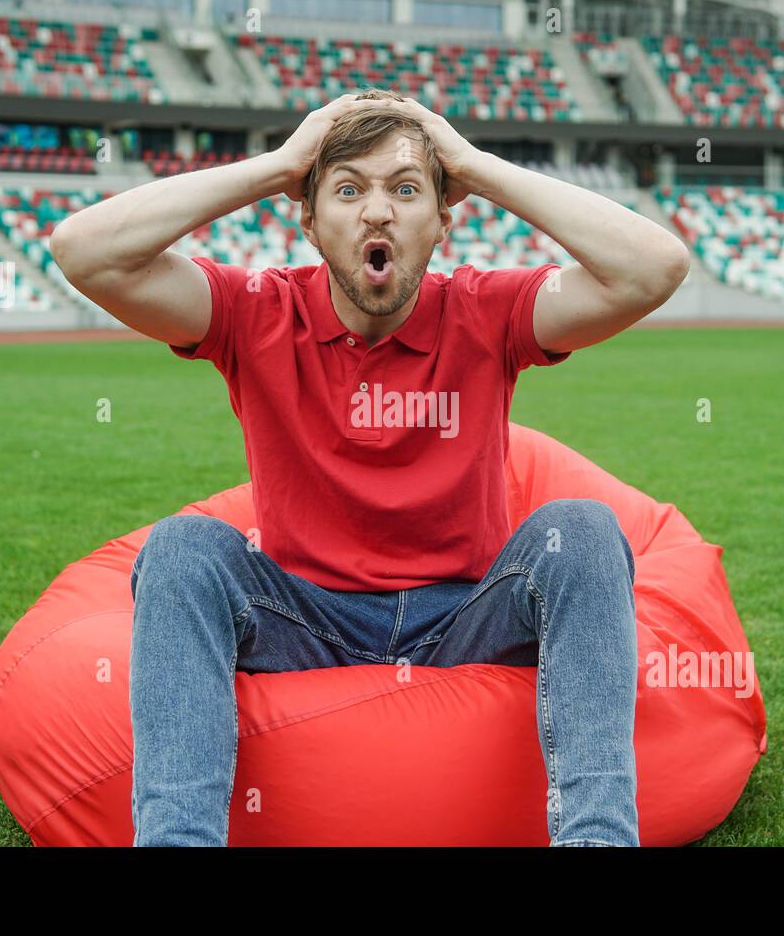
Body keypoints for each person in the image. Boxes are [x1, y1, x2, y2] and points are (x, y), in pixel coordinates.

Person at [50, 89, 690, 847]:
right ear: (310, 221)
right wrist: (279, 163)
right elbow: (80, 251)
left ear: (443, 223)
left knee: (582, 529)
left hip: (466, 613)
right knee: (182, 547)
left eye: (407, 190)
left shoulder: (486, 309)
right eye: (348, 189)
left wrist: (474, 166)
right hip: (303, 615)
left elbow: (654, 266)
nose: (378, 212)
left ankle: (595, 839)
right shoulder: (254, 309)